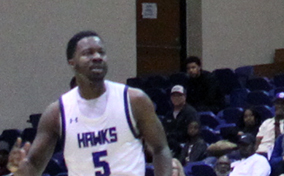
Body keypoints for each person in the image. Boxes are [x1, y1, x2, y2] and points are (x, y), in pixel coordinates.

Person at [10, 33, 174, 176]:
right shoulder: (57, 112)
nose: (97, 57)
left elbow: (161, 149)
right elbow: (33, 167)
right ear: (72, 62)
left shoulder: (134, 100)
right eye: (88, 53)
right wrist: (19, 169)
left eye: (101, 52)